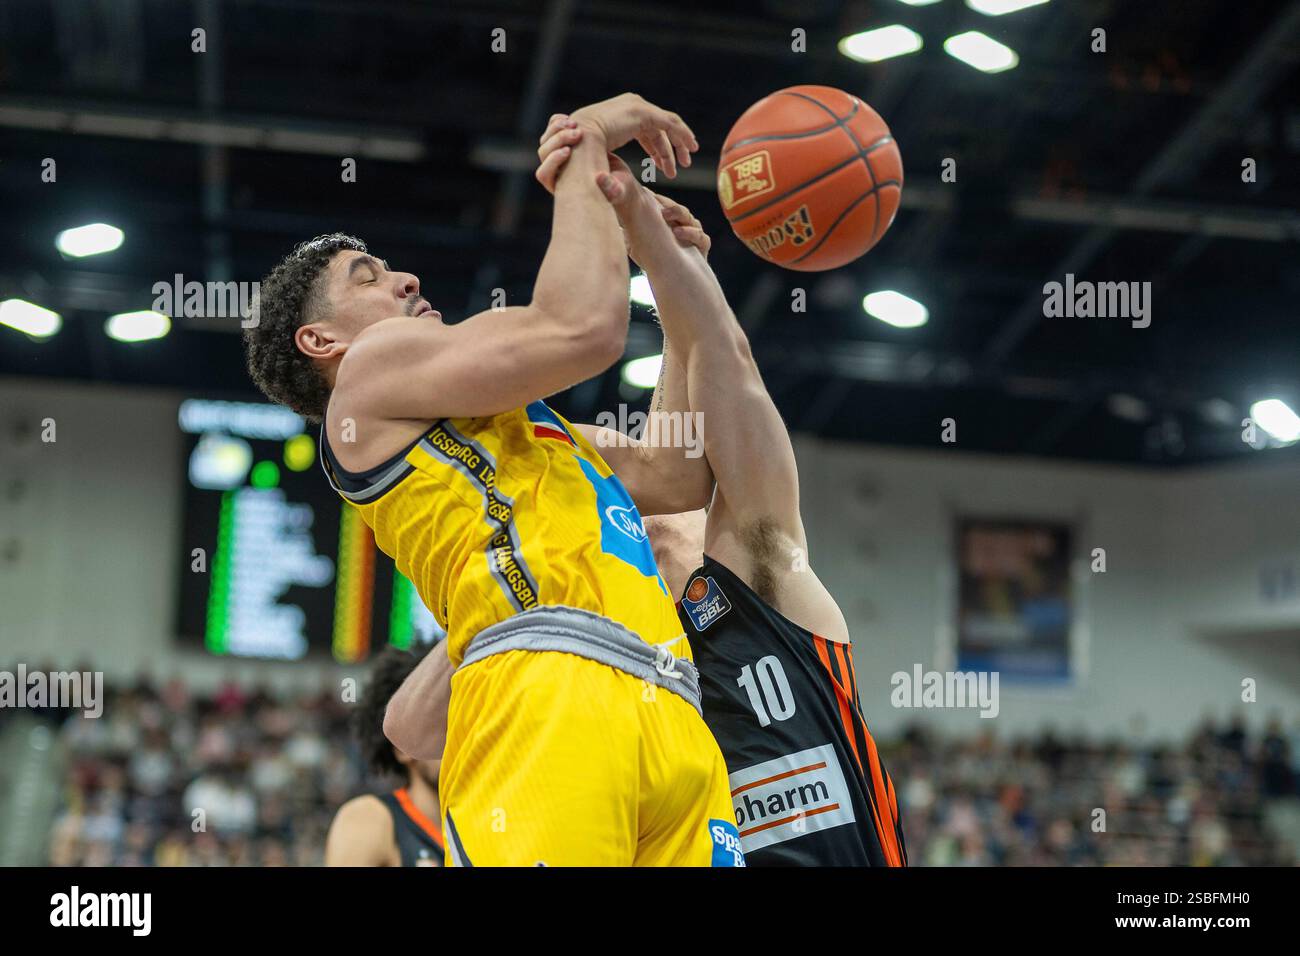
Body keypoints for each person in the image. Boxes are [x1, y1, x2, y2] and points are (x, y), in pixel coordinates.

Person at [245, 93, 743, 866]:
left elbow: (674, 475)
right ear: (322, 339)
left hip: (670, 703)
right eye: (369, 276)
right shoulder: (367, 380)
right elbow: (581, 328)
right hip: (543, 687)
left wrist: (674, 287)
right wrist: (586, 154)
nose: (406, 278)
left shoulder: (530, 426)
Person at [325, 645, 444, 866]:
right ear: (403, 748)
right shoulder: (370, 818)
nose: (459, 743)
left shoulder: (485, 828)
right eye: (444, 728)